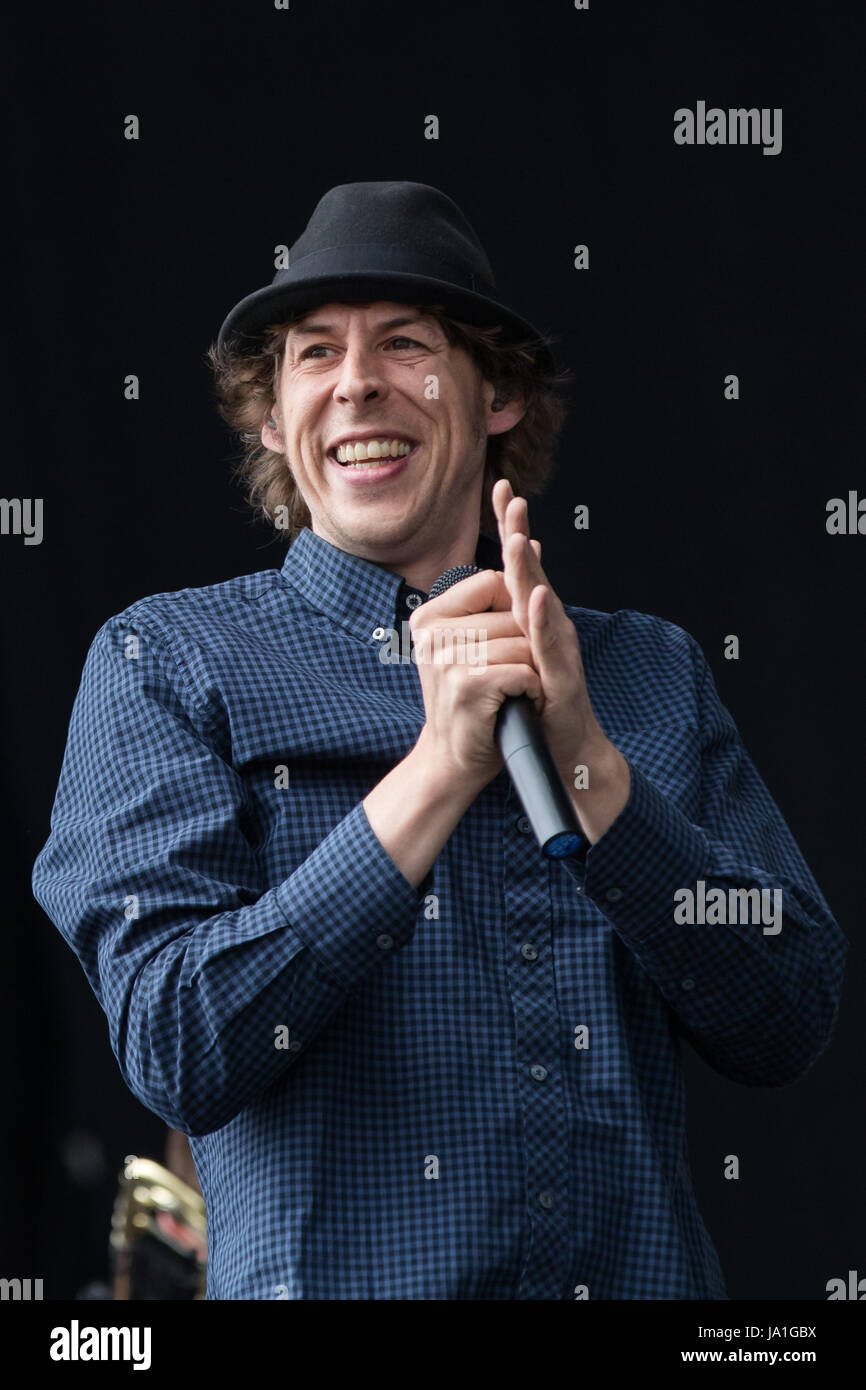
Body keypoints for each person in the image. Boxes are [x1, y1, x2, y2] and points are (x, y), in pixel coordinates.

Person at [32, 180, 847, 1300]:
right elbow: (177, 1044)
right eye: (313, 354)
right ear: (273, 417)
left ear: (499, 389)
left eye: (403, 342)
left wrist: (592, 774)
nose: (356, 380)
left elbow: (788, 1016)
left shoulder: (646, 673)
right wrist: (436, 769)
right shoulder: (164, 660)